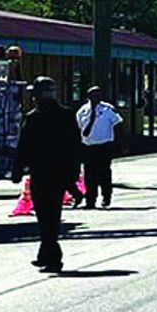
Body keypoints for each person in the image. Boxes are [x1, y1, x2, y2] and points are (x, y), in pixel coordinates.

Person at [12, 77, 82, 273]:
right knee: (51, 214)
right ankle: (46, 254)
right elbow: (75, 147)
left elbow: (24, 147)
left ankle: (53, 257)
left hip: (42, 174)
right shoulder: (67, 115)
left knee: (45, 216)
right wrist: (73, 175)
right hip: (60, 174)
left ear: (39, 95)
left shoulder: (34, 117)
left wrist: (17, 170)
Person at [76, 85, 122, 209]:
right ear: (89, 96)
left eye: (99, 94)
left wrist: (120, 143)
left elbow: (117, 125)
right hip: (88, 147)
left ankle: (106, 197)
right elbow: (78, 128)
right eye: (94, 94)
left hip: (104, 146)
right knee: (89, 175)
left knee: (104, 173)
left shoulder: (108, 109)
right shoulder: (83, 111)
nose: (97, 97)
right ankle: (90, 200)